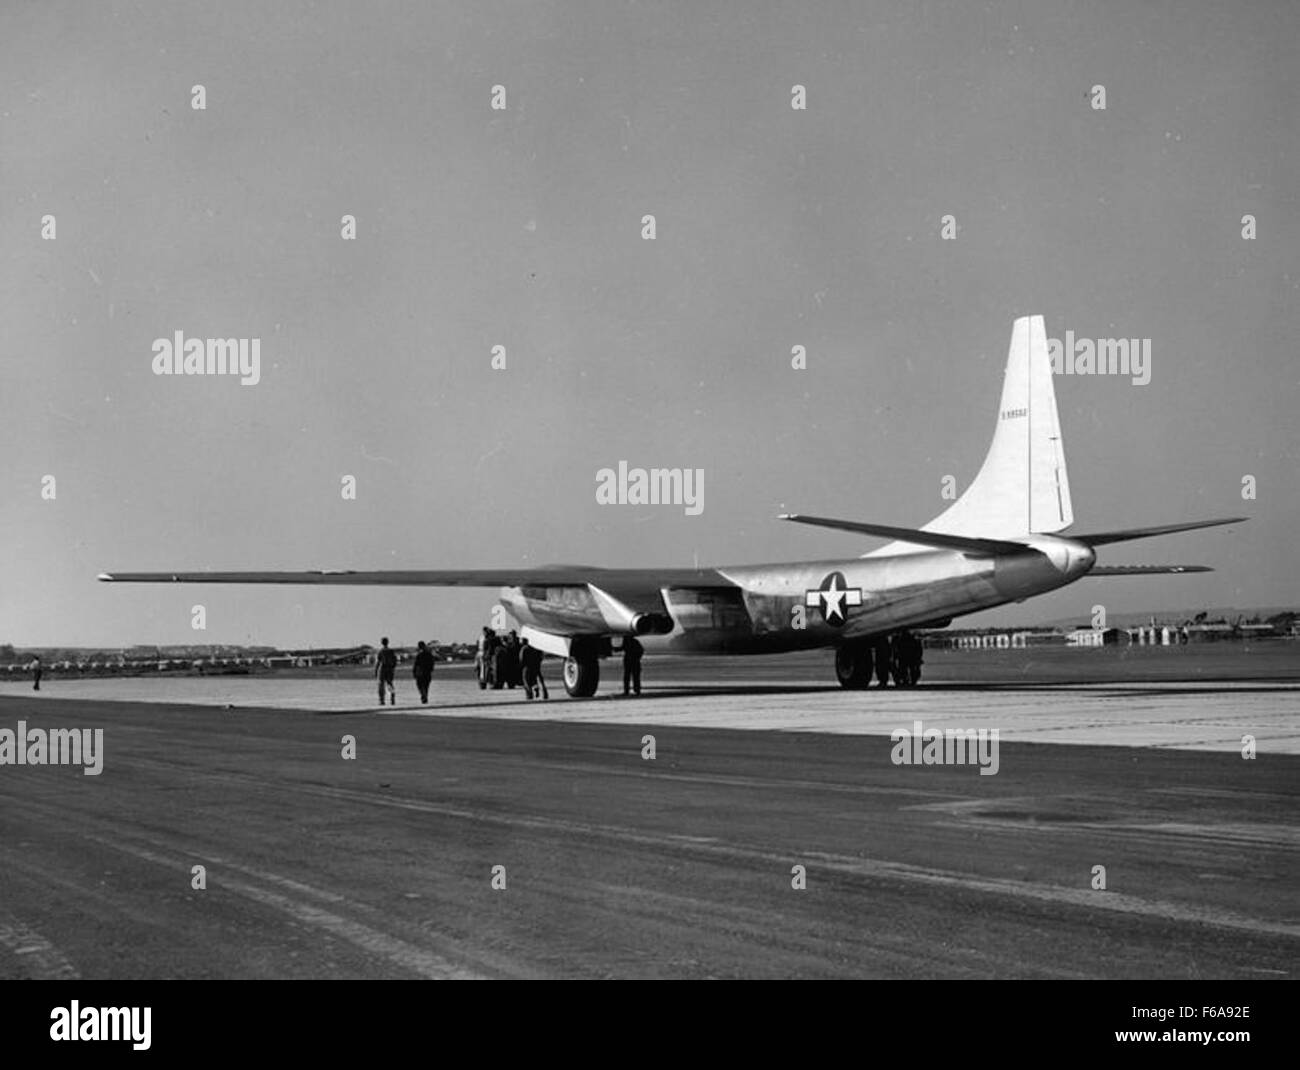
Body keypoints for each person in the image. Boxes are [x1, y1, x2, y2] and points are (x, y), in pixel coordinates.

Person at [375, 637, 398, 705]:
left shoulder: (381, 651)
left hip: (383, 668)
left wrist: (376, 670)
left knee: (381, 684)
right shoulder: (391, 651)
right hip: (390, 668)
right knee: (390, 683)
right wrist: (393, 667)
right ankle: (392, 697)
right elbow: (395, 660)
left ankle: (382, 700)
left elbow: (378, 661)